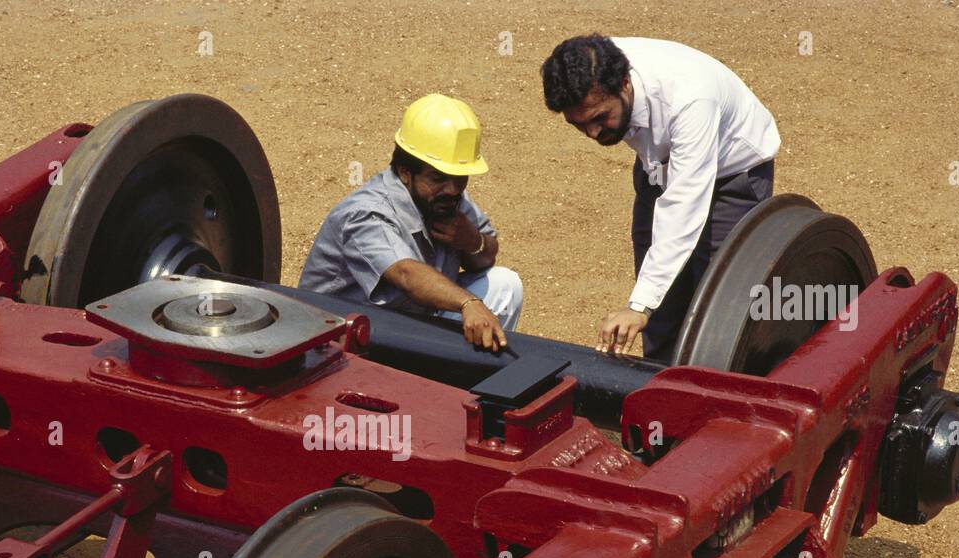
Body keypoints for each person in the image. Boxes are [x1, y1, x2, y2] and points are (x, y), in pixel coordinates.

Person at [541, 35, 780, 360]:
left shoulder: (689, 98)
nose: (593, 134)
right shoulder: (591, 65)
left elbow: (683, 206)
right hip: (661, 162)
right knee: (659, 292)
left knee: (721, 303)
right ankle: (663, 386)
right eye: (578, 124)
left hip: (734, 173)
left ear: (625, 83)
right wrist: (646, 306)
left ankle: (723, 393)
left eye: (600, 118)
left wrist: (638, 307)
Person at [299, 93, 522, 352]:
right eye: (439, 178)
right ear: (405, 172)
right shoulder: (367, 213)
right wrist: (468, 303)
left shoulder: (446, 196)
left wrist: (473, 241)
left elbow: (486, 256)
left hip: (409, 322)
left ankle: (459, 380)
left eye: (460, 178)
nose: (452, 189)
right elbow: (406, 274)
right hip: (340, 343)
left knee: (506, 285)